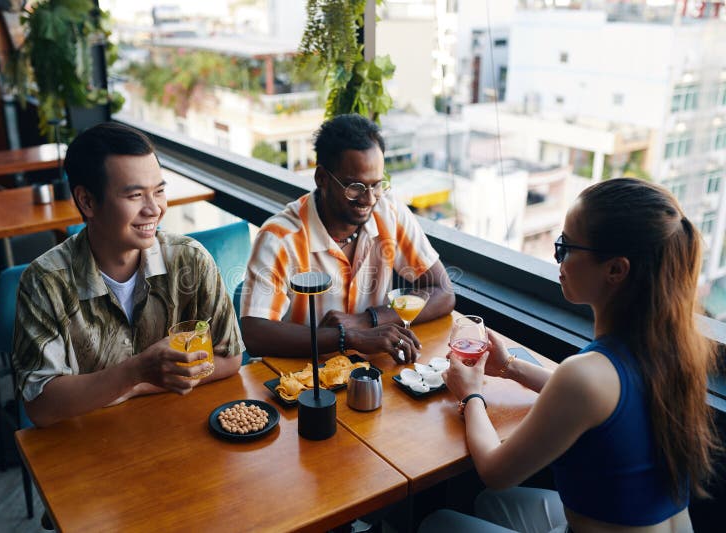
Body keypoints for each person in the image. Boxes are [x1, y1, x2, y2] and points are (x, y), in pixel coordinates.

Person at [422, 178, 718, 533]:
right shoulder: (673, 349)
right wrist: (512, 368)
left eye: (566, 247)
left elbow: (495, 471)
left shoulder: (585, 376)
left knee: (438, 522)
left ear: (615, 270)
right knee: (492, 504)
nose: (556, 256)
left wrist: (469, 393)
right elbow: (596, 399)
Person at [12, 123, 243, 428]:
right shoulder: (45, 283)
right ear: (87, 201)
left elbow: (230, 357)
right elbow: (41, 405)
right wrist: (134, 371)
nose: (155, 209)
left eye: (159, 191)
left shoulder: (191, 260)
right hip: (87, 450)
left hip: (180, 432)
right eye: (135, 195)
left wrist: (136, 387)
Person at [240, 114, 455, 363]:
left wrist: (368, 320)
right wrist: (348, 337)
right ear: (321, 178)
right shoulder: (280, 237)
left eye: (376, 185)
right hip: (302, 378)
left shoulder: (389, 212)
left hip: (370, 370)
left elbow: (443, 291)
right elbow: (255, 333)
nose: (369, 199)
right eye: (355, 187)